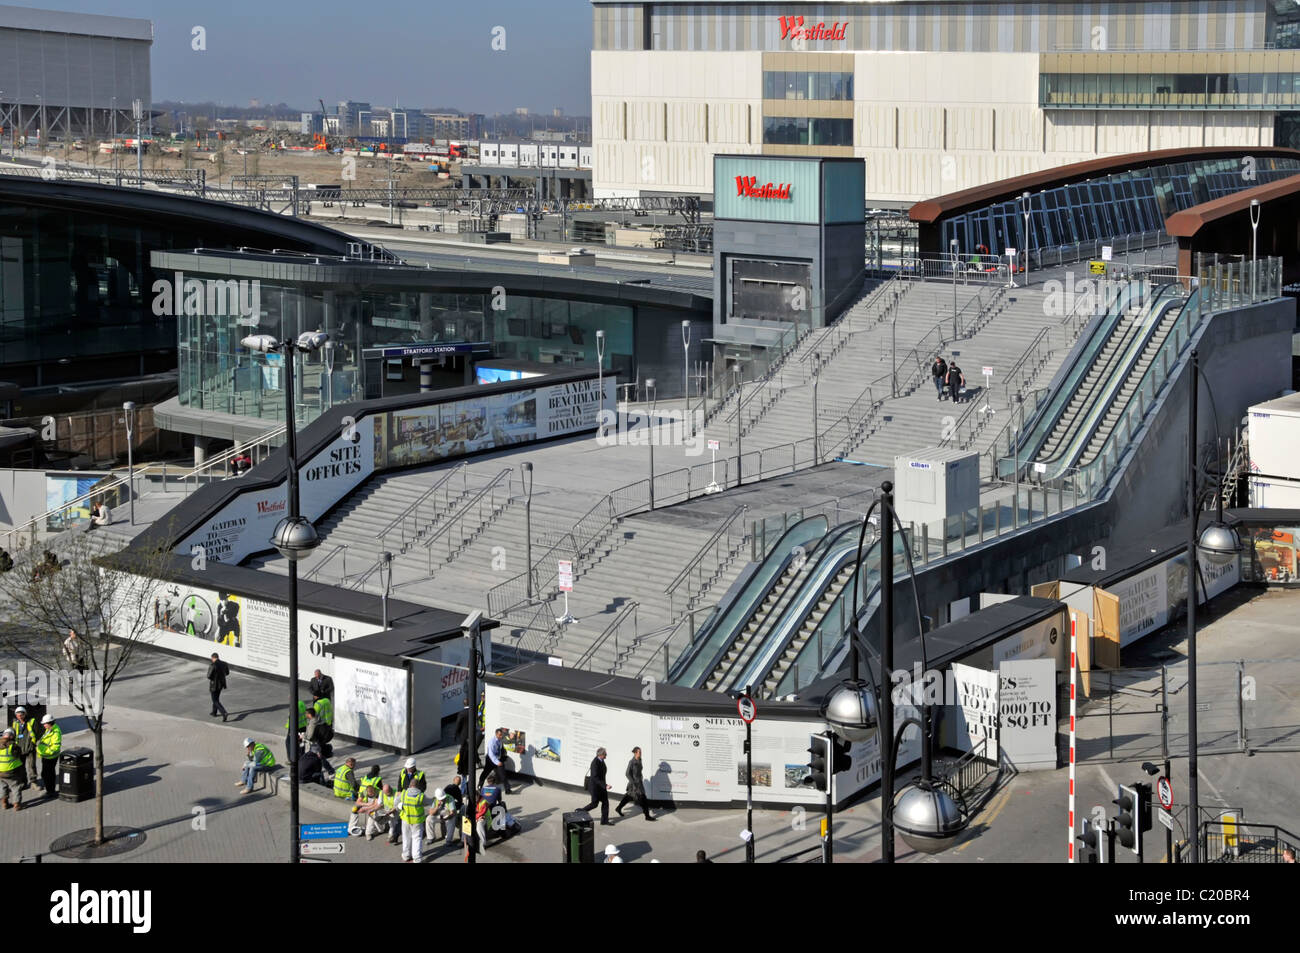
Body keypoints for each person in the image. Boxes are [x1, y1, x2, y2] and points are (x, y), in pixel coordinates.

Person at [616, 746, 654, 821]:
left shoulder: (640, 760)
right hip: (634, 785)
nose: (641, 753)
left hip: (639, 783)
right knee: (643, 798)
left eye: (641, 752)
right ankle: (647, 816)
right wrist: (633, 783)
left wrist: (640, 777)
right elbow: (627, 773)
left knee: (629, 797)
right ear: (635, 753)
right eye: (639, 752)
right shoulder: (632, 762)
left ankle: (618, 808)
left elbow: (639, 771)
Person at [580, 747, 612, 825]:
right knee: (594, 804)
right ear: (601, 755)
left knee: (605, 803)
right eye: (605, 754)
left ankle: (604, 821)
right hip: (595, 788)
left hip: (601, 787)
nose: (606, 755)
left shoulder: (601, 761)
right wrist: (605, 785)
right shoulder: (595, 763)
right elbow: (595, 777)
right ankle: (580, 811)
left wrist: (604, 785)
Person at [35, 714, 61, 800]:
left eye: (45, 723)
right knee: (45, 774)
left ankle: (51, 792)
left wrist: (44, 752)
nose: (43, 725)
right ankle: (49, 790)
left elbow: (55, 747)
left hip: (50, 757)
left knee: (48, 775)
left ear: (50, 723)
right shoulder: (49, 729)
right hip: (46, 757)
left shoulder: (55, 732)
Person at [11, 707, 38, 787]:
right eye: (18, 715)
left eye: (21, 715)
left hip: (30, 748)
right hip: (20, 749)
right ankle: (23, 782)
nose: (20, 717)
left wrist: (32, 743)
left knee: (32, 766)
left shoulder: (31, 722)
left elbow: (37, 733)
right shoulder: (15, 723)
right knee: (21, 767)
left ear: (25, 714)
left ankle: (33, 782)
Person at [479, 727, 511, 794]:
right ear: (496, 734)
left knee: (503, 775)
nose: (501, 736)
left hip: (497, 758)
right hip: (491, 760)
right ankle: (479, 786)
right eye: (500, 735)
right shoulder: (492, 742)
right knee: (485, 773)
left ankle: (507, 790)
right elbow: (491, 754)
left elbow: (501, 747)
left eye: (501, 735)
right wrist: (497, 762)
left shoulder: (499, 740)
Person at [399, 782, 426, 862]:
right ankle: (417, 858)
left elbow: (396, 803)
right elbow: (430, 802)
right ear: (418, 786)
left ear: (410, 785)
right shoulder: (421, 795)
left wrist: (401, 807)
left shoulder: (404, 793)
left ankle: (406, 855)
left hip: (405, 819)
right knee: (417, 839)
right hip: (417, 821)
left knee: (406, 838)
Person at [304, 708, 334, 776]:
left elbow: (309, 736)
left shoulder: (312, 723)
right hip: (320, 740)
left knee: (320, 757)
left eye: (306, 714)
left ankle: (330, 770)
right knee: (317, 756)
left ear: (309, 715)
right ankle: (317, 769)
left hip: (315, 743)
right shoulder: (319, 719)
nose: (305, 715)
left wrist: (304, 736)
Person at [0, 729, 24, 810]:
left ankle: (4, 803)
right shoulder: (13, 746)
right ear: (11, 736)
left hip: (0, 772)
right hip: (11, 771)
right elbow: (18, 754)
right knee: (15, 786)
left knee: (2, 787)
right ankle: (17, 804)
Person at [207, 652, 229, 721]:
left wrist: (214, 678)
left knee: (215, 700)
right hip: (221, 684)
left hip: (214, 685)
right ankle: (214, 712)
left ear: (213, 658)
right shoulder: (224, 664)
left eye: (211, 659)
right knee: (216, 698)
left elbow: (208, 676)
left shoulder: (213, 665)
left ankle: (224, 712)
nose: (211, 660)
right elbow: (227, 673)